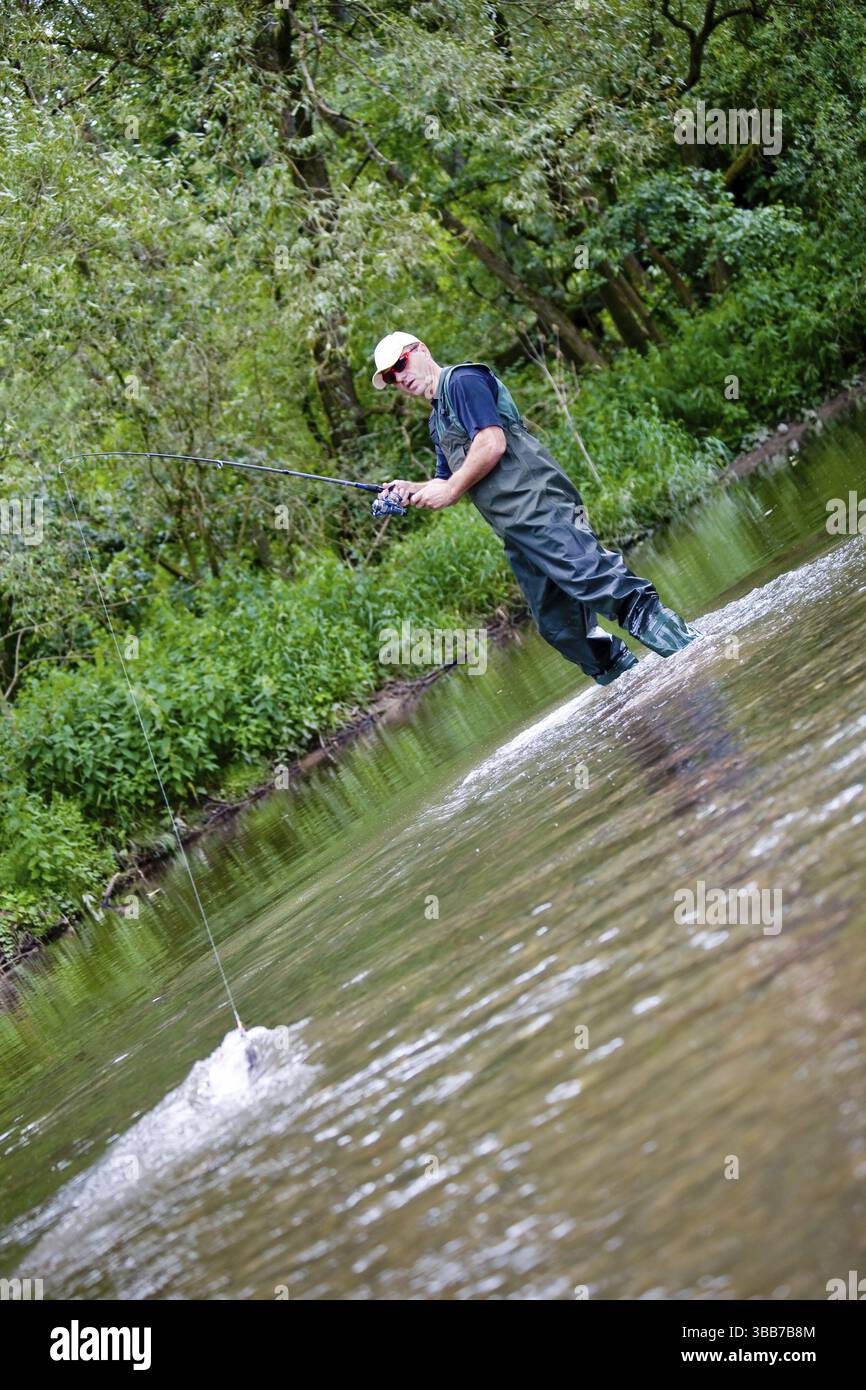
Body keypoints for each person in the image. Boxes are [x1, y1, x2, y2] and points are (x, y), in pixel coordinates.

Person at [372, 332, 700, 686]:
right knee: (560, 626)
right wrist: (408, 490)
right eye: (389, 377)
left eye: (400, 365)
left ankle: (695, 654)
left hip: (541, 503)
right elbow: (443, 481)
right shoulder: (437, 421)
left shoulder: (463, 381)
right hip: (515, 531)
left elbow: (492, 442)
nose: (398, 378)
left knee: (594, 578)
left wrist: (451, 488)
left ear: (422, 349)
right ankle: (630, 685)